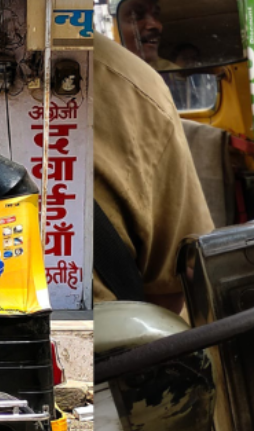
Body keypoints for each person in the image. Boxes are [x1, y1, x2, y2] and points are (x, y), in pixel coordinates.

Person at [93, 32, 214, 314]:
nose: (152, 26)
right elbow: (174, 287)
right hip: (109, 350)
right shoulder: (136, 83)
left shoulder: (140, 79)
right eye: (138, 14)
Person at [109, 0, 178, 70]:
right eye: (135, 15)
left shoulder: (171, 71)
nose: (158, 26)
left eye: (156, 15)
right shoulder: (103, 73)